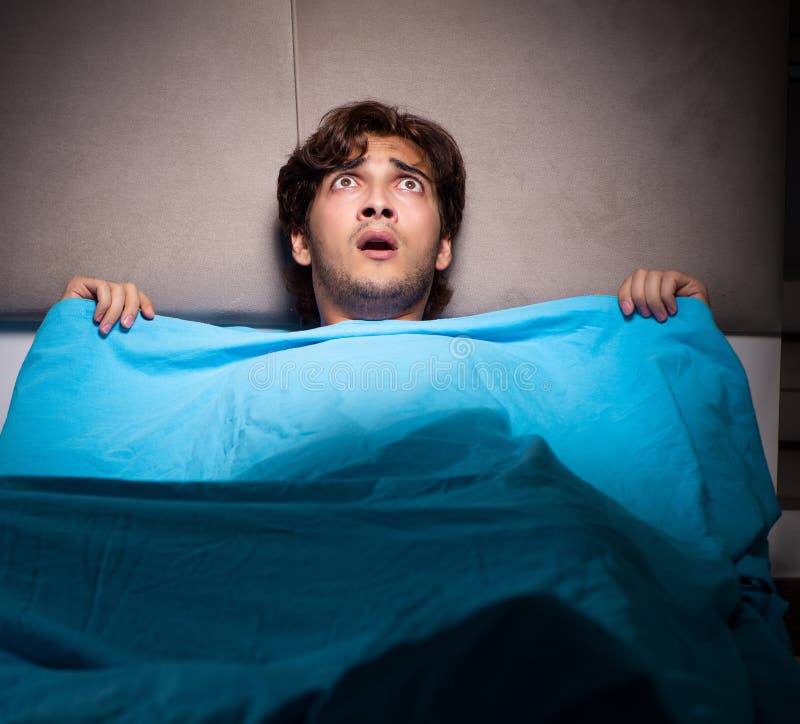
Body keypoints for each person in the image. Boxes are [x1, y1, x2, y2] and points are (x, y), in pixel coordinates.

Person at [59, 100, 710, 332]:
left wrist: (672, 334)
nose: (378, 202)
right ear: (300, 240)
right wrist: (90, 338)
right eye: (347, 181)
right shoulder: (237, 379)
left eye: (409, 184)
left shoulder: (512, 378)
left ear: (444, 245)